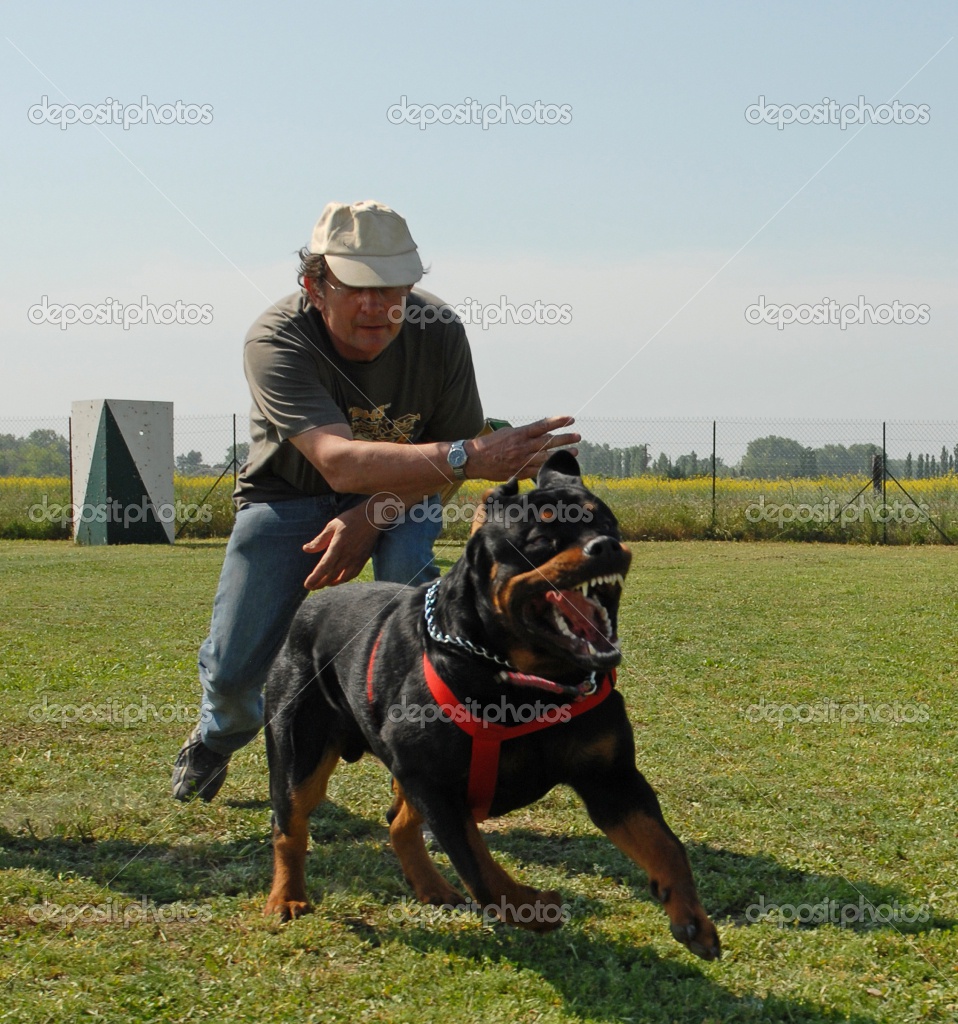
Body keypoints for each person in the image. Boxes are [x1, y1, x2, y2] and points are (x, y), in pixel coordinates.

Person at [172, 199, 579, 801]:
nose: (379, 306)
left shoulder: (438, 330)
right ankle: (218, 735)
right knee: (236, 667)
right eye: (358, 287)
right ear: (314, 284)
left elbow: (446, 461)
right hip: (287, 498)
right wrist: (467, 458)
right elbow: (341, 459)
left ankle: (427, 767)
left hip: (402, 495)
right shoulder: (276, 338)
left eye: (394, 288)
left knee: (422, 628)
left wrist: (372, 515)